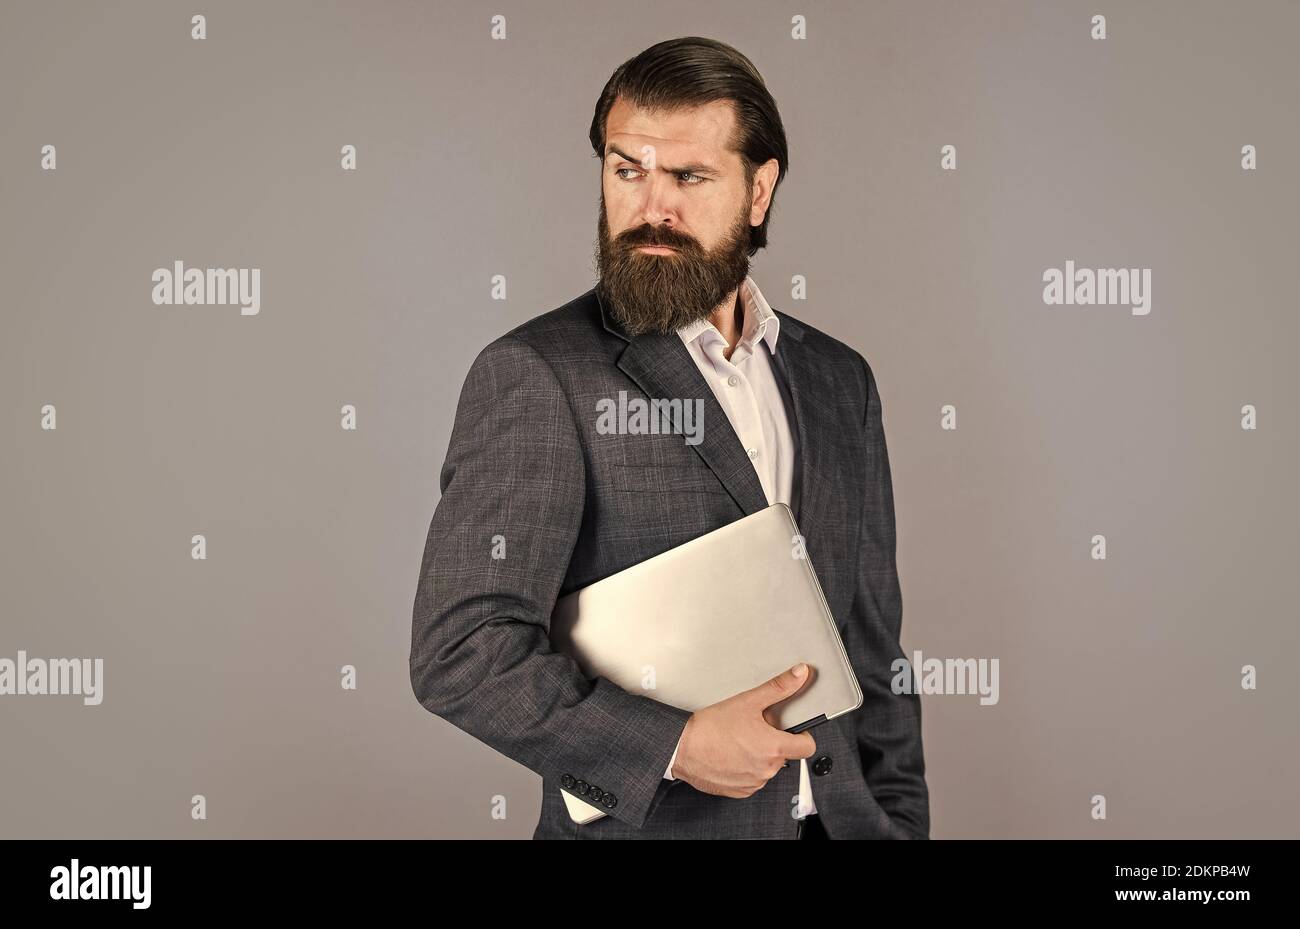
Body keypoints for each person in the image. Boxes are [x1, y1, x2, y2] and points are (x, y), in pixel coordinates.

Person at [410, 36, 929, 840]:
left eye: (688, 176)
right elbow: (462, 652)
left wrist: (897, 824)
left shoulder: (839, 381)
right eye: (628, 171)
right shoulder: (538, 373)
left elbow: (875, 644)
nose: (653, 205)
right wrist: (676, 747)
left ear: (760, 191)